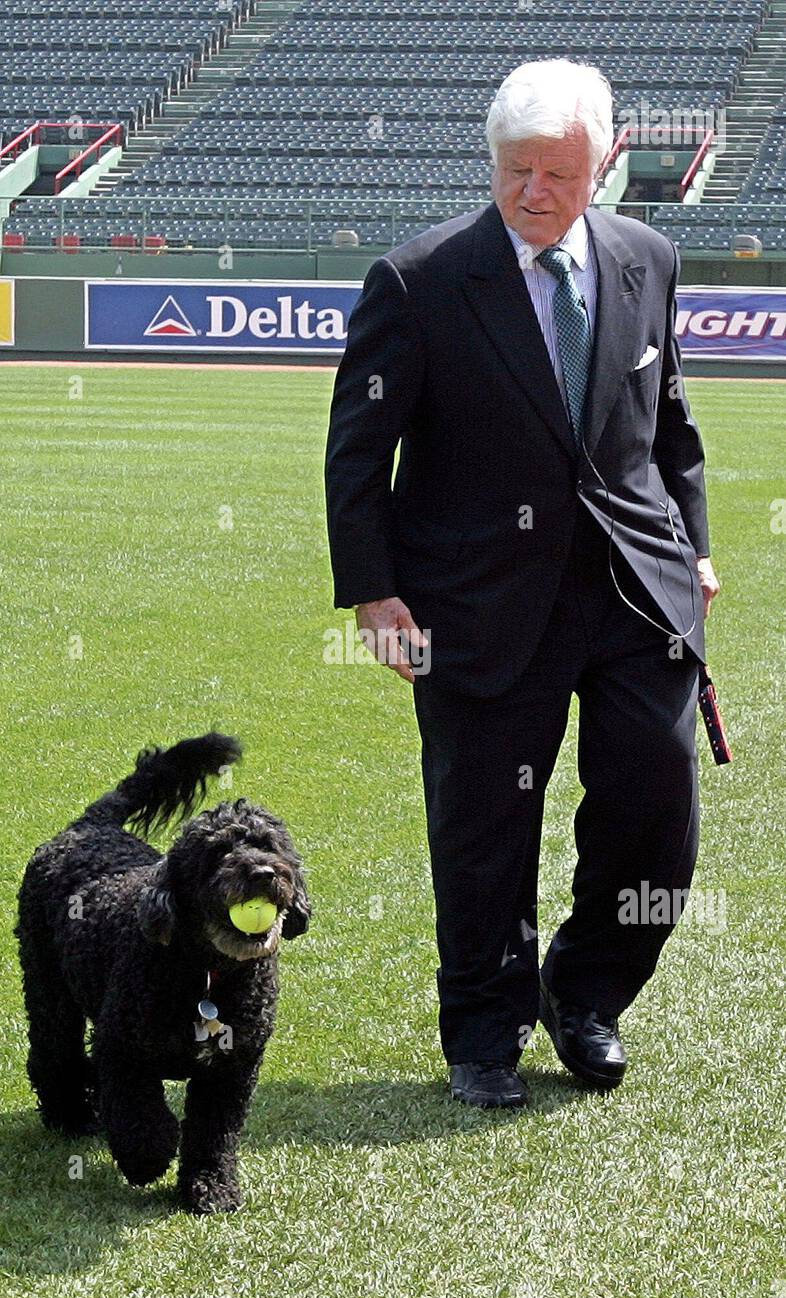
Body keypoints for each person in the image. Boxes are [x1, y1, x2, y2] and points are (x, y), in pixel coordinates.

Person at [324, 59, 720, 1108]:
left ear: (602, 163)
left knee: (655, 806)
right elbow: (358, 450)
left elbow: (668, 425)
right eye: (514, 170)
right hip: (476, 600)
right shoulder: (417, 281)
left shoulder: (647, 258)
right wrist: (374, 592)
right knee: (484, 823)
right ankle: (485, 1030)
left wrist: (696, 545)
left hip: (636, 591)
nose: (533, 190)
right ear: (490, 163)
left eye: (557, 171)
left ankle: (584, 994)